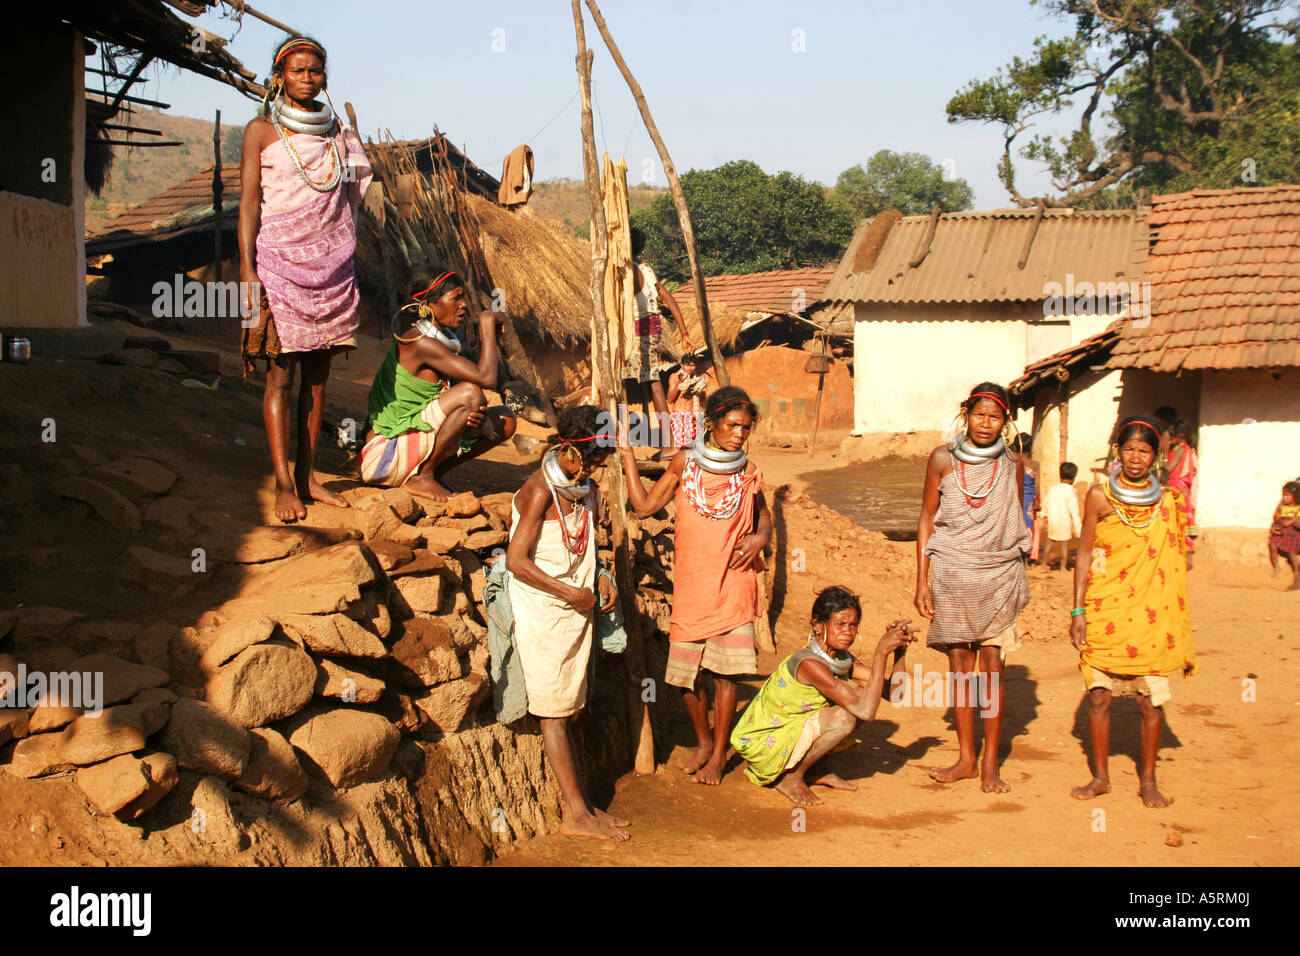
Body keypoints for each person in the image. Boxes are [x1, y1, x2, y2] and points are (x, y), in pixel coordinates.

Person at [238, 36, 373, 523]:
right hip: (277, 267)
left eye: (315, 71)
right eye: (297, 71)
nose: (307, 78)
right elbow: (250, 204)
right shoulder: (260, 131)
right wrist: (245, 269)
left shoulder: (337, 133)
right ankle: (282, 484)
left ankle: (307, 478)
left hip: (331, 271)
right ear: (280, 76)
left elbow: (353, 190)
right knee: (280, 379)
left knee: (318, 383)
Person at [619, 386, 772, 786]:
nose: (739, 434)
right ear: (712, 422)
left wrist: (760, 539)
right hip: (692, 584)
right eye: (732, 425)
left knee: (726, 676)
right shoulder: (686, 462)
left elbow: (763, 514)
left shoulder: (748, 470)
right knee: (687, 674)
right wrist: (628, 459)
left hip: (733, 581)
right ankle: (703, 742)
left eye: (746, 427)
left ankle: (719, 755)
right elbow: (645, 506)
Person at [504, 406, 628, 841]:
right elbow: (515, 561)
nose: (597, 468)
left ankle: (585, 806)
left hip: (576, 607)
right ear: (569, 451)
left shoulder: (584, 489)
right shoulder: (540, 490)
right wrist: (569, 592)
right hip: (544, 611)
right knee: (554, 714)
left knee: (570, 709)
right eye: (593, 459)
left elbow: (588, 546)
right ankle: (576, 815)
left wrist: (603, 576)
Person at [1069, 416, 1197, 808]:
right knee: (1099, 698)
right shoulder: (1098, 495)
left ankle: (1149, 781)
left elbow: (1178, 559)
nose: (1136, 457)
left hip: (1150, 612)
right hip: (1106, 606)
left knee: (1150, 701)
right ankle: (1101, 778)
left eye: (1144, 450)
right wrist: (1077, 610)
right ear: (1117, 452)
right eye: (1129, 449)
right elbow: (1086, 553)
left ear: (1156, 456)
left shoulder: (1168, 501)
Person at [914, 382, 1030, 792]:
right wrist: (921, 580)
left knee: (992, 671)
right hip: (952, 575)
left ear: (1006, 421)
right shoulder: (942, 460)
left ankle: (990, 765)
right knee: (961, 670)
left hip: (997, 576)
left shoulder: (1012, 464)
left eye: (994, 416)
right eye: (979, 415)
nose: (985, 423)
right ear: (967, 415)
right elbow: (927, 518)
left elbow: (1014, 519)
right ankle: (965, 758)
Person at [731, 586, 914, 806]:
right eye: (840, 624)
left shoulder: (842, 660)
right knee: (847, 714)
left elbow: (897, 695)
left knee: (862, 694)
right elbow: (867, 710)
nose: (848, 631)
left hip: (792, 734)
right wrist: (881, 653)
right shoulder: (809, 663)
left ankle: (814, 769)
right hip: (764, 744)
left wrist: (900, 652)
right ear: (818, 626)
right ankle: (791, 777)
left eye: (853, 625)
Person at [360, 267, 516, 500]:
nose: (464, 305)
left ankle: (430, 474)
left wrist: (472, 414)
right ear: (428, 304)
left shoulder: (441, 341)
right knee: (471, 393)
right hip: (384, 456)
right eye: (456, 298)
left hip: (406, 444)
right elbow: (486, 379)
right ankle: (422, 476)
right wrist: (486, 325)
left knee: (506, 419)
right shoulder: (420, 342)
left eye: (463, 297)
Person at [629, 227, 690, 457]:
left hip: (639, 328)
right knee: (650, 381)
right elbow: (670, 300)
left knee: (648, 381)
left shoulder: (632, 271)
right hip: (651, 327)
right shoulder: (647, 268)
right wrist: (684, 334)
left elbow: (625, 301)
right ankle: (668, 442)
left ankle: (668, 443)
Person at [1165, 419, 1199, 561]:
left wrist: (1158, 466)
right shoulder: (1188, 449)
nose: (1170, 439)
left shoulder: (1179, 449)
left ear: (1181, 435)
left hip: (1176, 489)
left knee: (1177, 519)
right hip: (1181, 488)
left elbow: (1170, 467)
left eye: (1173, 435)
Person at [665, 352, 715, 449]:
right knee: (679, 447)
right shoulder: (675, 377)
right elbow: (670, 399)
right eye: (687, 365)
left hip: (694, 416)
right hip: (679, 415)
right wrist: (680, 384)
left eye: (693, 365)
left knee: (694, 447)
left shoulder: (699, 380)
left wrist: (699, 389)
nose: (690, 368)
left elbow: (703, 401)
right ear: (682, 365)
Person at [1040, 462, 1083, 572]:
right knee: (1064, 546)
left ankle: (1044, 565)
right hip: (1064, 522)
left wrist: (1044, 515)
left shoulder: (1053, 489)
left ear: (1060, 475)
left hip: (1053, 521)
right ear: (1073, 478)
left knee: (1050, 544)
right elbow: (1074, 511)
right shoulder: (1071, 491)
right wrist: (1078, 529)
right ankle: (1063, 568)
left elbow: (1045, 503)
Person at [1268, 480, 1300, 589]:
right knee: (1274, 543)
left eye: (1287, 495)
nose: (1284, 498)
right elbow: (1277, 517)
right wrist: (1275, 526)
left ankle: (1297, 576)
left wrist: (1292, 521)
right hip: (1286, 532)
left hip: (1295, 534)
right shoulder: (1284, 505)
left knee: (1292, 550)